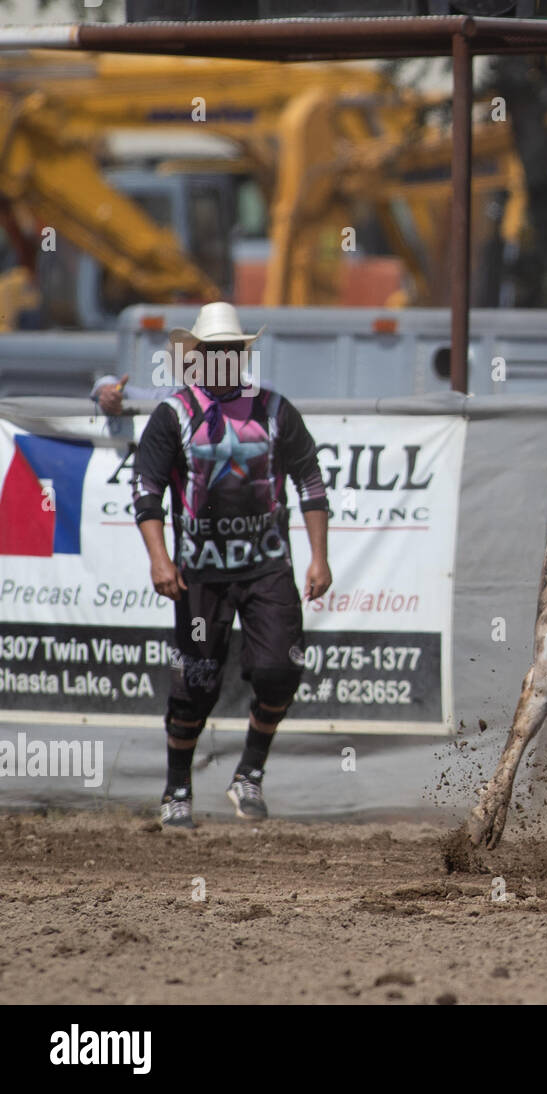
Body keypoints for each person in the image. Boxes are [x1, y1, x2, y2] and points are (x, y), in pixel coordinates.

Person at [130, 302, 331, 828]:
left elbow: (310, 481)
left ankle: (250, 775)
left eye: (232, 352)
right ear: (197, 359)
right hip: (199, 575)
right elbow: (146, 491)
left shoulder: (275, 410)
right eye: (214, 353)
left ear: (243, 357)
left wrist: (319, 557)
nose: (224, 361)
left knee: (279, 670)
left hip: (268, 568)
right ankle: (177, 788)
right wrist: (159, 559)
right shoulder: (172, 415)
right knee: (195, 681)